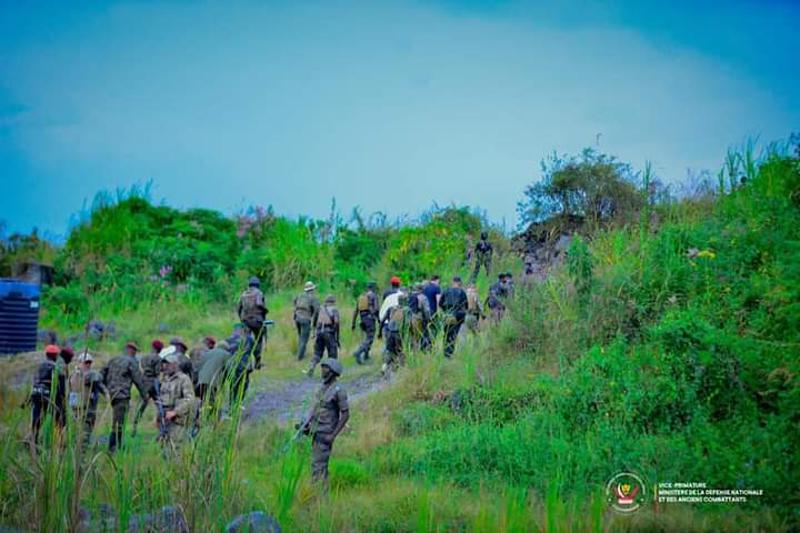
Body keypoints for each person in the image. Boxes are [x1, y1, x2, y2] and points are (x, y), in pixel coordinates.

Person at [298, 358, 349, 488]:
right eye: (322, 368)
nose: (322, 371)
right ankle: (321, 497)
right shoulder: (322, 388)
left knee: (318, 468)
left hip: (325, 434)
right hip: (316, 431)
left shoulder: (339, 391)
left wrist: (332, 436)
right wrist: (306, 425)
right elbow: (316, 409)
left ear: (332, 372)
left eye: (325, 368)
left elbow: (345, 415)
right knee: (319, 467)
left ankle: (318, 498)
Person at [102, 341, 147, 452]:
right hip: (122, 394)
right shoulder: (131, 362)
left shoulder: (113, 359)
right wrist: (144, 395)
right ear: (132, 350)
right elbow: (138, 380)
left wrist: (107, 389)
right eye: (135, 351)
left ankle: (117, 446)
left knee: (117, 420)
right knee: (119, 423)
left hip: (112, 394)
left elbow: (102, 374)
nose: (135, 353)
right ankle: (114, 447)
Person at [68, 352, 107, 449]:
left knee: (85, 433)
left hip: (88, 410)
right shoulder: (75, 376)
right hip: (78, 411)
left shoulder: (91, 376)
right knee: (81, 435)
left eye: (90, 363)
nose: (88, 365)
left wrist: (107, 395)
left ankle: (80, 453)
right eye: (86, 363)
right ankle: (80, 455)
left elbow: (101, 385)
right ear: (80, 363)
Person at [29, 344, 66, 446]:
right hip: (48, 397)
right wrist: (63, 402)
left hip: (36, 395)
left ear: (46, 354)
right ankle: (57, 443)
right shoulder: (56, 368)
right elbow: (61, 387)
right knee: (60, 419)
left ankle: (33, 441)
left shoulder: (38, 366)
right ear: (56, 356)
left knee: (36, 420)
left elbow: (33, 383)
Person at [158, 354, 196, 451]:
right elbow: (162, 399)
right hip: (165, 419)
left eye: (168, 364)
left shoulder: (183, 379)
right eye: (164, 364)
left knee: (176, 447)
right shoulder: (164, 379)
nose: (165, 366)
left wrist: (175, 412)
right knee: (165, 447)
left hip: (178, 420)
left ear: (175, 365)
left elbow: (190, 399)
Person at [132, 339, 164, 435]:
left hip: (144, 381)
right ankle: (162, 426)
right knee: (160, 405)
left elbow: (140, 367)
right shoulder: (158, 358)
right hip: (154, 382)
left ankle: (134, 426)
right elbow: (158, 372)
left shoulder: (144, 357)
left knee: (141, 405)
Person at [237, 276, 268, 368]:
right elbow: (260, 305)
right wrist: (265, 313)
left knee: (245, 341)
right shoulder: (259, 293)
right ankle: (257, 362)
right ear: (258, 285)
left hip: (246, 321)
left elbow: (238, 308)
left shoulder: (243, 294)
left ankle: (244, 362)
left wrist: (242, 319)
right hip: (257, 321)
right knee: (258, 340)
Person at [307, 295, 340, 376]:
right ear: (333, 302)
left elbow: (314, 321)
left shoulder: (320, 309)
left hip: (319, 332)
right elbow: (336, 323)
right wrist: (336, 337)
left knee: (317, 353)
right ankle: (329, 372)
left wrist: (314, 332)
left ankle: (312, 365)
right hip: (329, 332)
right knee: (332, 353)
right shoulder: (334, 309)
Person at [380, 292, 409, 375]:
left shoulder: (392, 308)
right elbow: (407, 323)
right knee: (401, 351)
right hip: (399, 334)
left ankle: (384, 367)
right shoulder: (406, 310)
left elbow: (382, 320)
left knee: (390, 351)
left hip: (389, 332)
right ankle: (402, 370)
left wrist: (379, 332)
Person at [351, 282, 379, 364]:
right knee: (370, 338)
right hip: (370, 319)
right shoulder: (373, 296)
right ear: (373, 288)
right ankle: (359, 352)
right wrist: (378, 319)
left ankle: (366, 356)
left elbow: (356, 311)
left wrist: (353, 323)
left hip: (362, 319)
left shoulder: (361, 297)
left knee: (366, 338)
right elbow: (376, 308)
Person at [440, 276, 468, 358]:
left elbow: (440, 304)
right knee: (454, 335)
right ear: (459, 282)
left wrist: (446, 310)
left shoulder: (446, 291)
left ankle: (445, 353)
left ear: (452, 282)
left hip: (447, 315)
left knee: (446, 334)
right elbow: (466, 306)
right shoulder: (462, 292)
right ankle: (450, 353)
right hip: (458, 316)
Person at [293, 281, 320, 361]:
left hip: (297, 317)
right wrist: (314, 324)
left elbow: (295, 303)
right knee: (304, 339)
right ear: (312, 289)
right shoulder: (313, 298)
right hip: (305, 319)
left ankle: (301, 353)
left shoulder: (299, 295)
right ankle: (300, 357)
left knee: (300, 337)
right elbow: (317, 310)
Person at [409, 283, 431, 350]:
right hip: (418, 318)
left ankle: (410, 350)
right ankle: (418, 353)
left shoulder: (409, 296)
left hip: (408, 318)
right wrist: (428, 319)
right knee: (419, 336)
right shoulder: (423, 297)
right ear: (421, 289)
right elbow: (427, 310)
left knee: (411, 336)